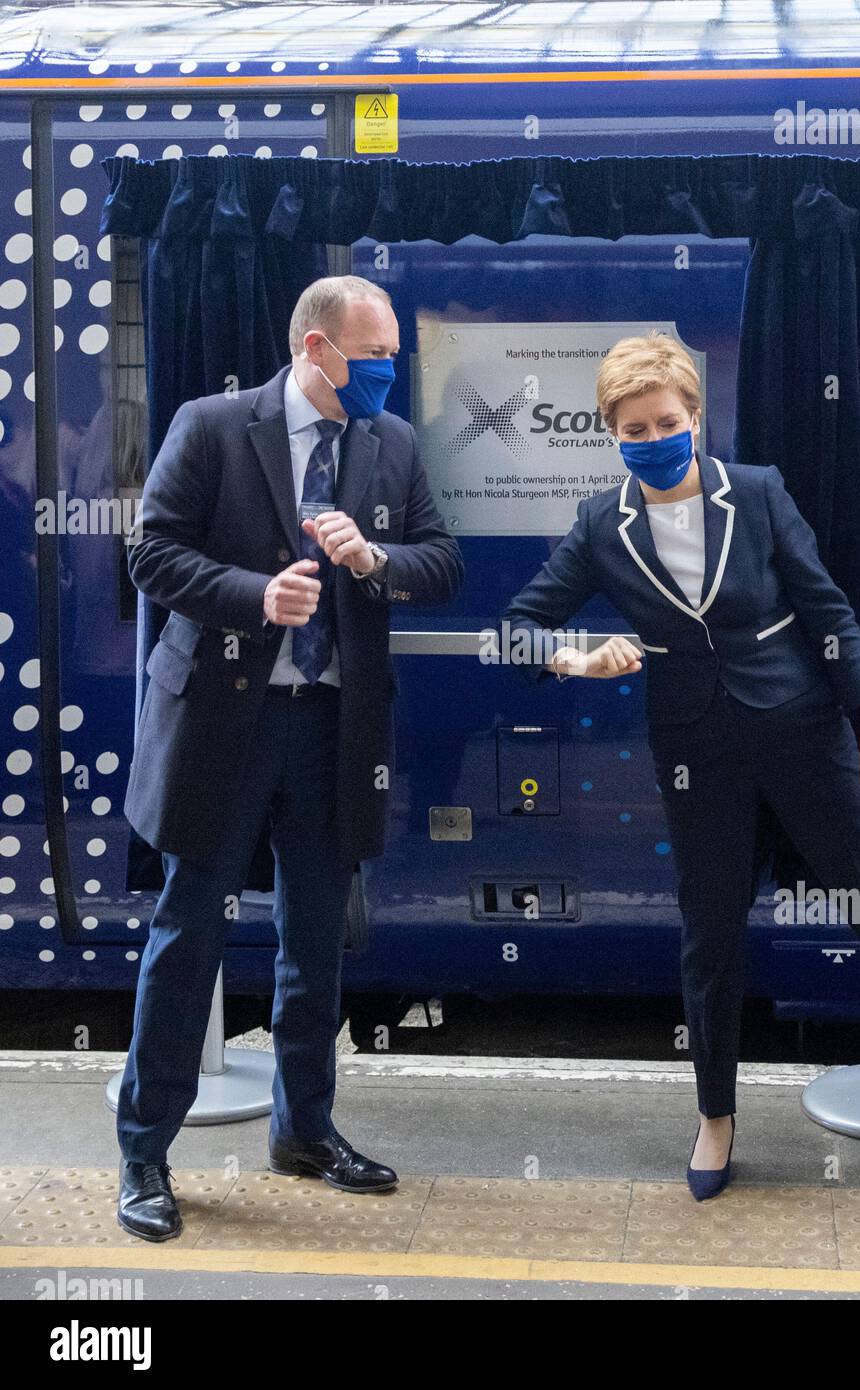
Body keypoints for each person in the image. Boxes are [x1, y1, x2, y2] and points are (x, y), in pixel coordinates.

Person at [501, 331, 860, 1202]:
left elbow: (828, 610)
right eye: (632, 428)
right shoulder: (599, 524)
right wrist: (574, 659)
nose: (651, 437)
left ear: (695, 419)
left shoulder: (759, 494)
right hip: (695, 747)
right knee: (710, 930)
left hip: (800, 723)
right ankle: (714, 1115)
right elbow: (514, 630)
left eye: (666, 421)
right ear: (610, 434)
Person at [116, 276, 463, 1240]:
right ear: (316, 348)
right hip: (223, 726)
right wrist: (252, 595)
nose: (388, 370)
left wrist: (374, 562)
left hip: (331, 727)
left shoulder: (388, 444)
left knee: (316, 935)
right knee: (189, 934)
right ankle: (145, 1152)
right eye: (374, 353)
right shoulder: (215, 423)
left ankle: (304, 1130)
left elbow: (444, 560)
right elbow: (150, 552)